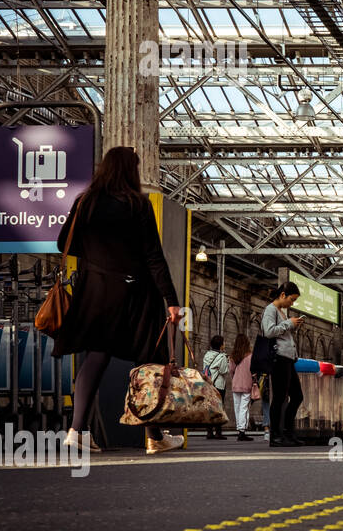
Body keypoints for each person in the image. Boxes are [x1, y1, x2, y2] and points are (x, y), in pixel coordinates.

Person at [53, 146, 185, 455]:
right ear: (130, 170)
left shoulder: (85, 201)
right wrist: (171, 300)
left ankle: (77, 431)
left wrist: (98, 261)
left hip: (94, 291)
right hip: (133, 291)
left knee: (96, 355)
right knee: (146, 361)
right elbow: (154, 256)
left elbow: (63, 243)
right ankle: (154, 436)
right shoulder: (136, 204)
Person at [262, 281, 304, 448]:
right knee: (279, 398)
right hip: (279, 358)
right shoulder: (270, 310)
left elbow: (281, 332)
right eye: (291, 299)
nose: (292, 303)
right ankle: (276, 436)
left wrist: (291, 325)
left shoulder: (281, 312)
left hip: (287, 358)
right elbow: (268, 331)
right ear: (282, 295)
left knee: (297, 396)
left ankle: (287, 432)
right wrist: (289, 324)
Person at [200, 335, 229, 439]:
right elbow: (224, 371)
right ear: (221, 345)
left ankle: (209, 431)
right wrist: (228, 362)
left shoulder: (207, 354)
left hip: (208, 383)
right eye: (224, 343)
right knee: (219, 408)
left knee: (209, 407)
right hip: (219, 385)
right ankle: (218, 432)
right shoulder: (222, 357)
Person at [229, 334, 254, 441]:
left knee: (237, 407)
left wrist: (234, 378)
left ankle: (239, 428)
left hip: (236, 384)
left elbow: (231, 370)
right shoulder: (250, 356)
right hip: (247, 384)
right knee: (244, 407)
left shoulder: (233, 356)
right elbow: (253, 370)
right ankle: (242, 431)